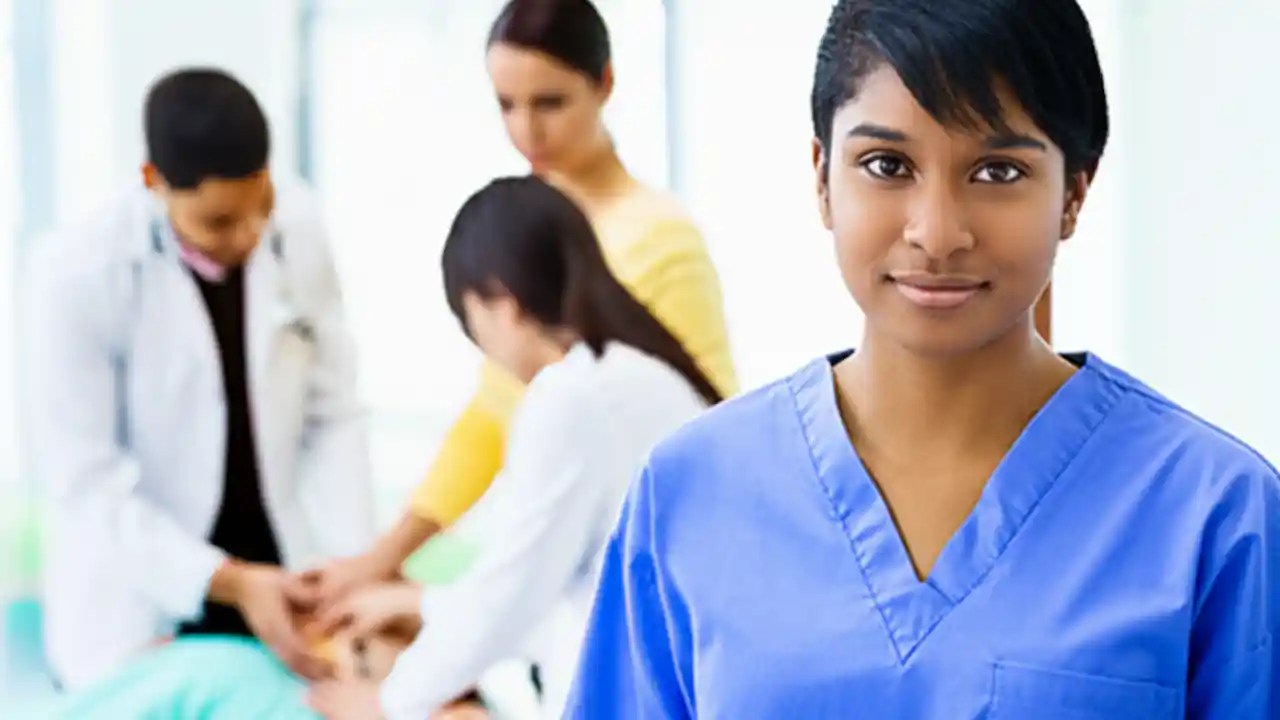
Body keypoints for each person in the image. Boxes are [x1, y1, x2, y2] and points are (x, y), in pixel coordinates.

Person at [565, 1, 1280, 718]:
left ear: (1074, 193)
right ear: (822, 177)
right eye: (887, 165)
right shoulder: (690, 492)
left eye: (997, 172)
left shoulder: (1215, 513)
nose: (936, 233)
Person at [306, 0, 736, 605]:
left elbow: (706, 426)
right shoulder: (522, 230)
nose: (526, 130)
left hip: (638, 579)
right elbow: (489, 417)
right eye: (506, 105)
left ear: (605, 84)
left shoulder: (662, 237)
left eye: (550, 103)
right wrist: (379, 561)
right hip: (550, 577)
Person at [305, 176, 719, 720]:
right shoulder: (647, 378)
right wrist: (420, 605)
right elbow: (564, 592)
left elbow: (513, 592)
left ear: (500, 301)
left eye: (471, 323)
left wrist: (389, 704)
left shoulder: (573, 397)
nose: (488, 356)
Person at [24, 67, 374, 690]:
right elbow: (85, 480)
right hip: (147, 591)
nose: (246, 237)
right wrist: (229, 581)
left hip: (281, 570)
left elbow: (334, 413)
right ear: (152, 182)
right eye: (217, 223)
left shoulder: (297, 227)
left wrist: (354, 564)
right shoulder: (76, 272)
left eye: (257, 209)